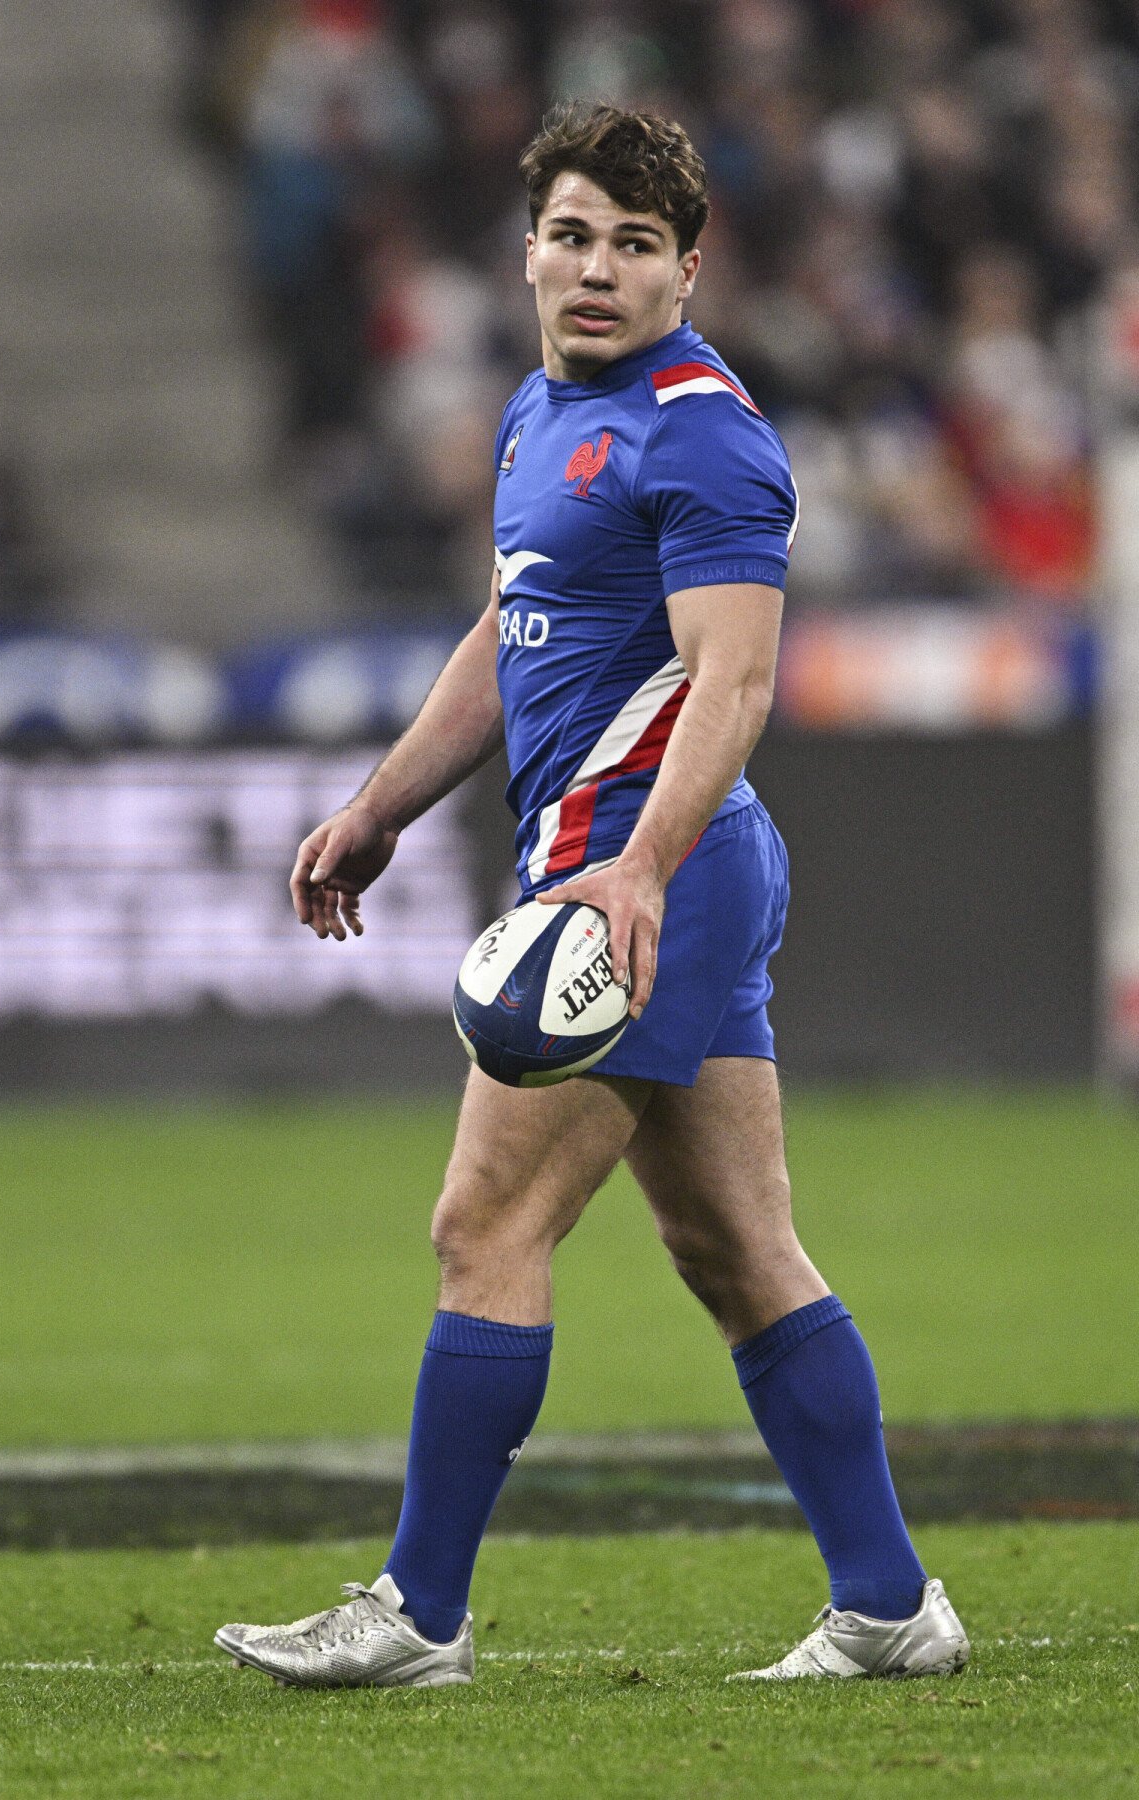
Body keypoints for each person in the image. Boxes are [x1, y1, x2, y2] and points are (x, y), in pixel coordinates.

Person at [214, 102, 970, 1689]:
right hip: (633, 865)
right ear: (530, 250)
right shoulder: (534, 416)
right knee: (738, 1247)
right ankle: (892, 1608)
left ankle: (419, 1615)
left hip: (651, 871)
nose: (601, 269)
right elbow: (513, 636)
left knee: (482, 1221)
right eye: (575, 235)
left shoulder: (702, 427)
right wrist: (379, 806)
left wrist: (635, 863)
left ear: (688, 271)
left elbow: (737, 679)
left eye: (639, 244)